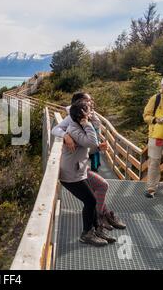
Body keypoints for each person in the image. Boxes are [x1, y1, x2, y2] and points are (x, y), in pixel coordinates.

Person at [52, 92, 126, 230]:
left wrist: (98, 147)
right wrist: (66, 136)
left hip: (81, 164)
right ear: (79, 104)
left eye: (91, 100)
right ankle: (98, 219)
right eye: (87, 101)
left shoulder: (89, 116)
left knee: (99, 188)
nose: (91, 103)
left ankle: (102, 216)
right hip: (75, 169)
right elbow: (56, 129)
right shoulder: (73, 119)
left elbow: (85, 145)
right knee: (93, 197)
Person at [58, 100, 116, 246]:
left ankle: (97, 229)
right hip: (71, 174)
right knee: (90, 201)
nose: (92, 113)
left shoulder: (77, 127)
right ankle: (86, 234)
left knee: (92, 200)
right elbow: (90, 142)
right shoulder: (75, 129)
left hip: (79, 171)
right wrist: (87, 124)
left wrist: (99, 148)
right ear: (82, 115)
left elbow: (86, 147)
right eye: (89, 111)